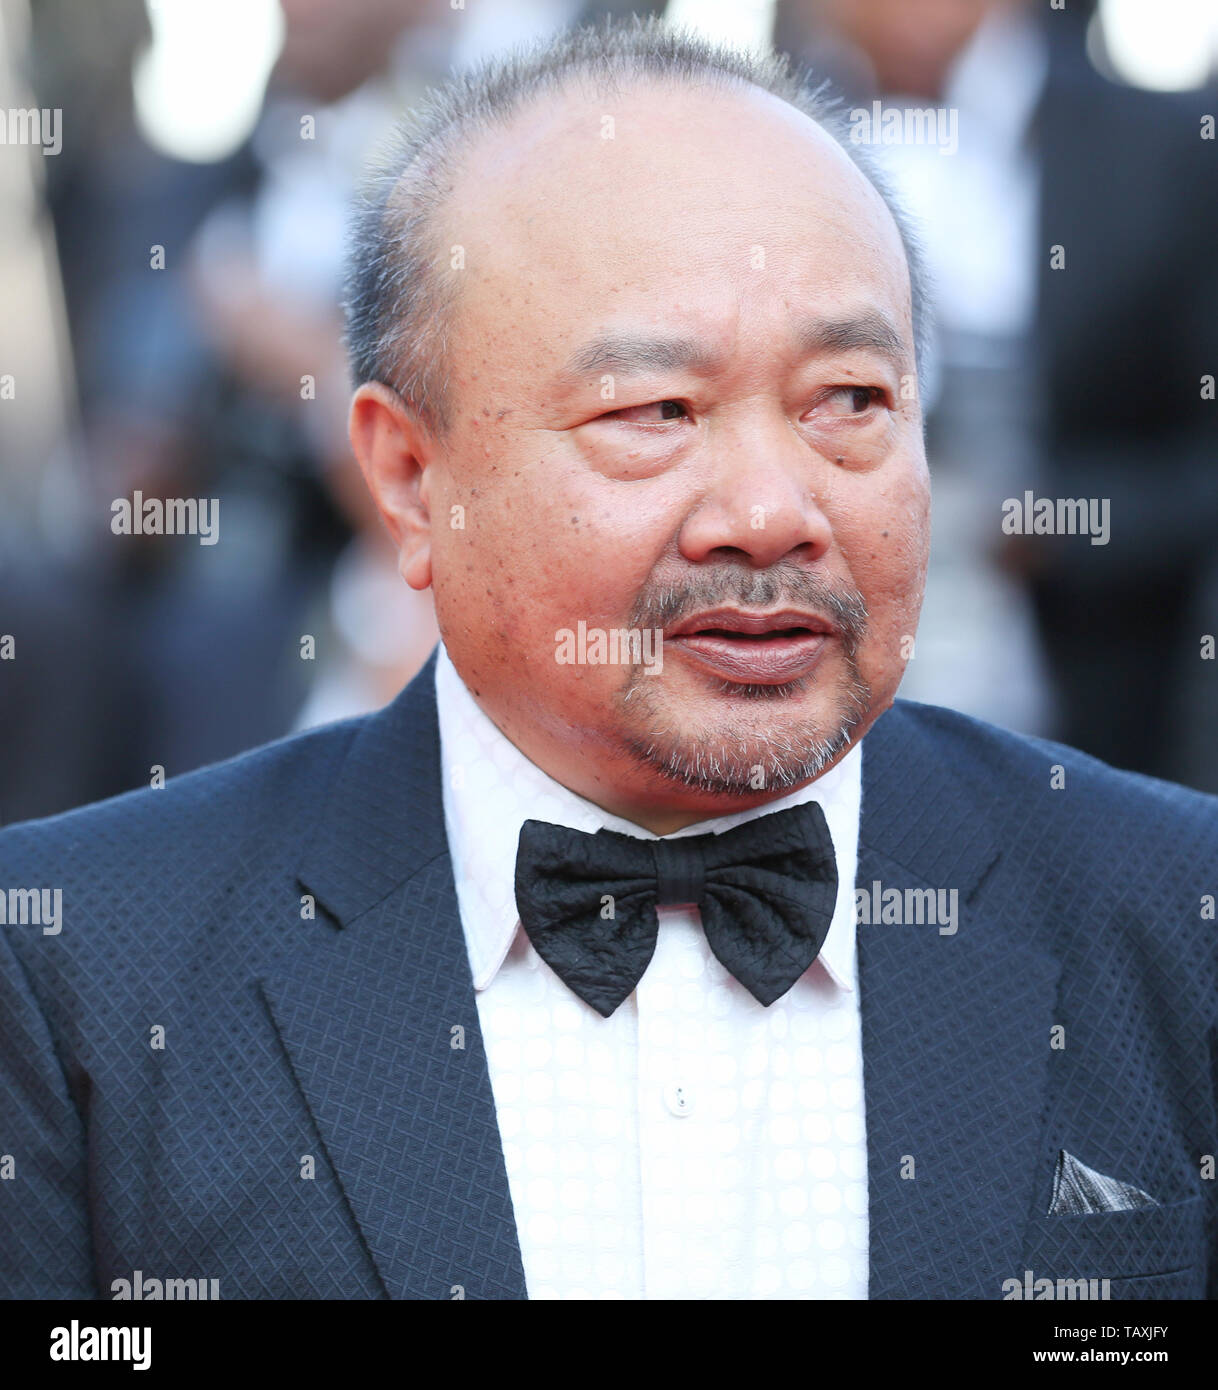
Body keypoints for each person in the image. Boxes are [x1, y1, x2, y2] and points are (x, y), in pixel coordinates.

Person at [1, 19, 1214, 1301]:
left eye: (850, 400)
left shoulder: (1176, 927)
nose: (771, 508)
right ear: (412, 482)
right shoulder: (76, 970)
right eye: (657, 413)